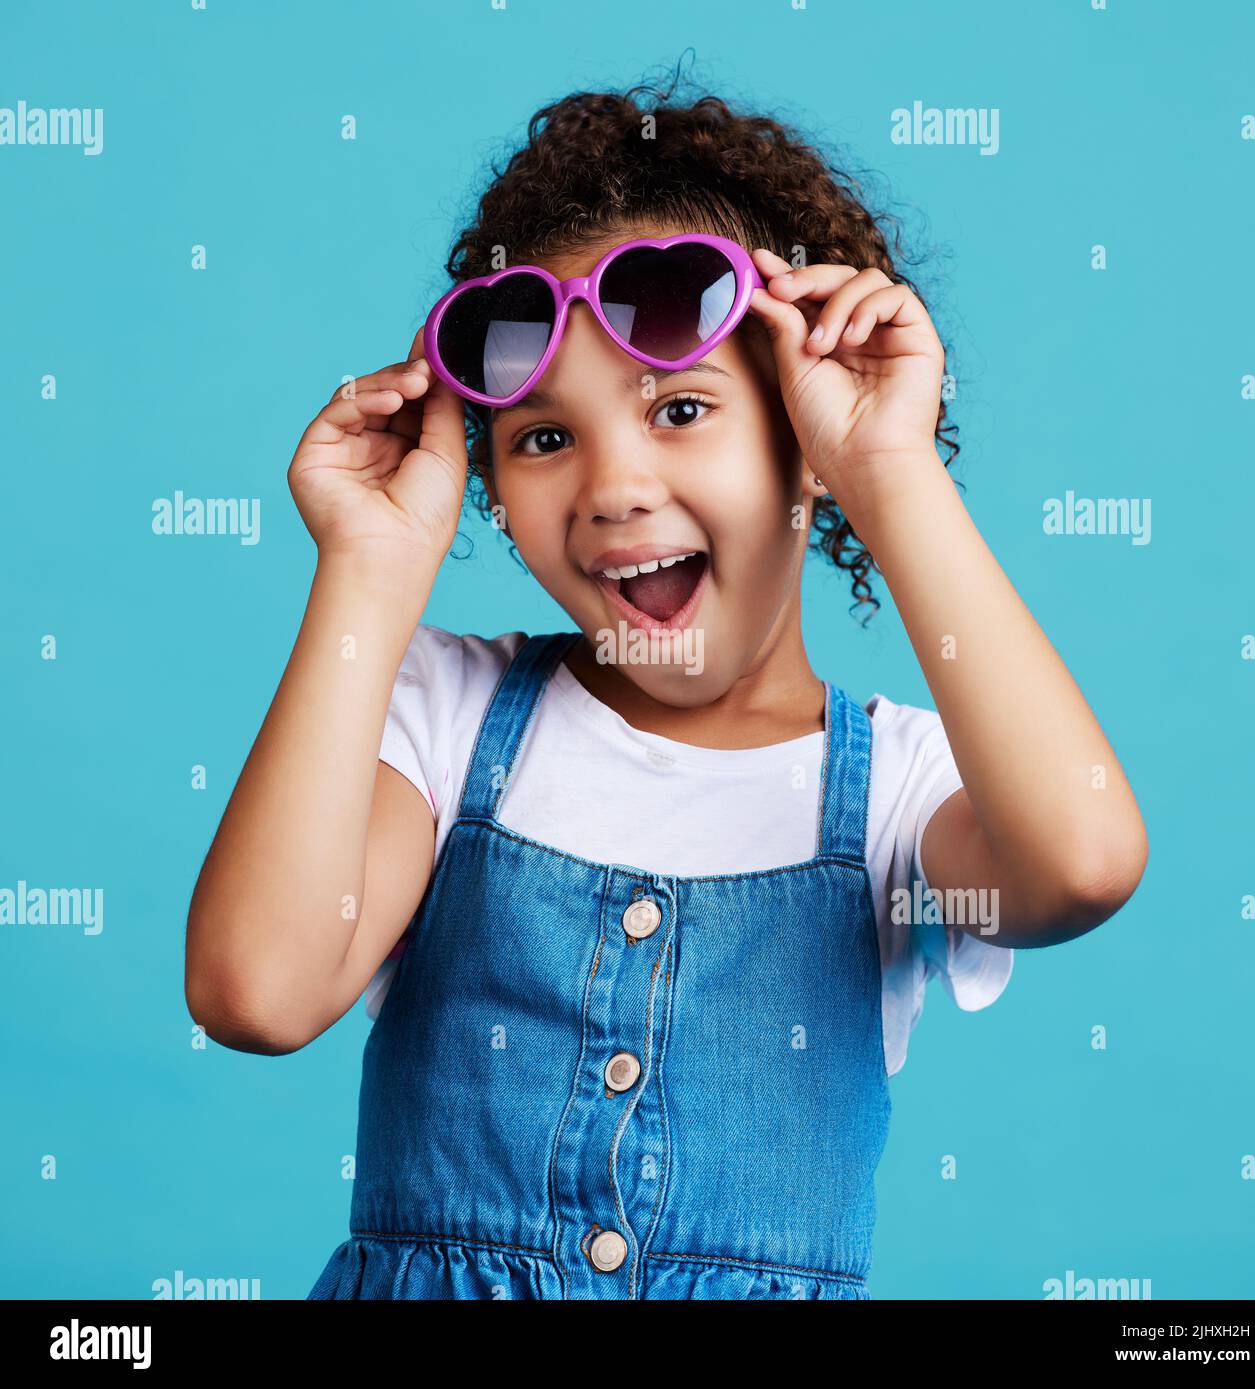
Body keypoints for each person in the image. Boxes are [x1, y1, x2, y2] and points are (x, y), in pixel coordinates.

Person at [184, 76, 1147, 1301]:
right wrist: (368, 576)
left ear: (807, 440)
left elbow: (1079, 864)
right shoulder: (440, 712)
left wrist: (890, 471)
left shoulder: (897, 794)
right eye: (542, 437)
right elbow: (253, 992)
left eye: (681, 409)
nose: (612, 485)